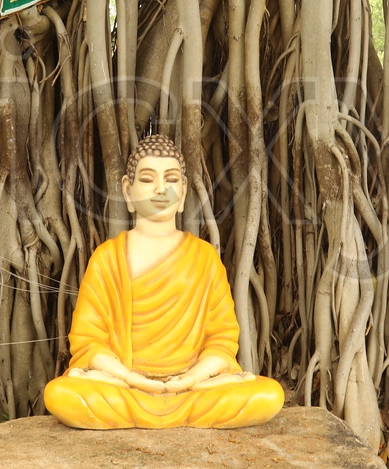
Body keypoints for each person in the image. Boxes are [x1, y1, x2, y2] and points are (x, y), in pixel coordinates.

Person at [42, 134, 285, 429]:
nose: (160, 189)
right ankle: (155, 405)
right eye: (147, 179)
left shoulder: (204, 257)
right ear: (128, 192)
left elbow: (222, 340)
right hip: (124, 386)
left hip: (192, 388)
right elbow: (88, 342)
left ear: (183, 193)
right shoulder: (108, 258)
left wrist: (192, 378)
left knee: (268, 394)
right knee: (60, 395)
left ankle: (174, 404)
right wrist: (130, 378)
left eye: (171, 179)